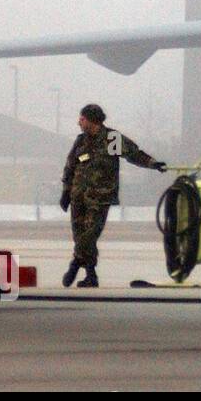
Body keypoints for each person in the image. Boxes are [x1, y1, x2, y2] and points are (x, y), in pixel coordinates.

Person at [59, 104, 166, 288]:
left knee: (89, 236)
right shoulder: (81, 141)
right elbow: (70, 167)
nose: (79, 122)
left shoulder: (111, 139)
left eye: (82, 119)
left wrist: (152, 163)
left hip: (100, 198)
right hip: (78, 197)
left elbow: (133, 154)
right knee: (79, 236)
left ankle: (76, 263)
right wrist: (65, 192)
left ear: (92, 121)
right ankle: (91, 276)